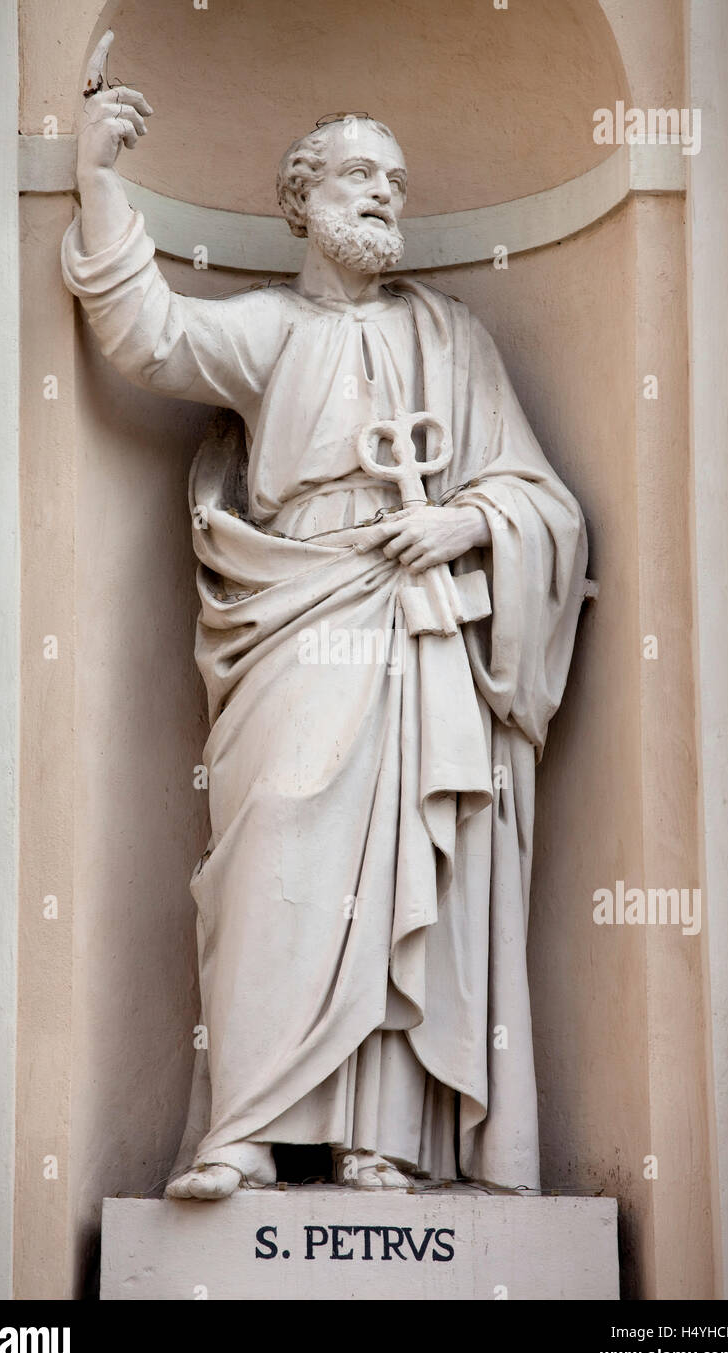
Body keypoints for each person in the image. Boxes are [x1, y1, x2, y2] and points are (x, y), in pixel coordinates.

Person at [62, 33, 588, 1200]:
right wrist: (100, 181)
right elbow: (149, 334)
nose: (387, 197)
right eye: (360, 178)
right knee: (268, 855)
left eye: (395, 183)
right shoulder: (270, 330)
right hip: (298, 613)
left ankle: (381, 1140)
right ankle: (242, 1132)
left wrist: (469, 527)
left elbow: (538, 498)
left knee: (415, 862)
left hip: (417, 619)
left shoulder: (452, 337)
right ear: (301, 203)